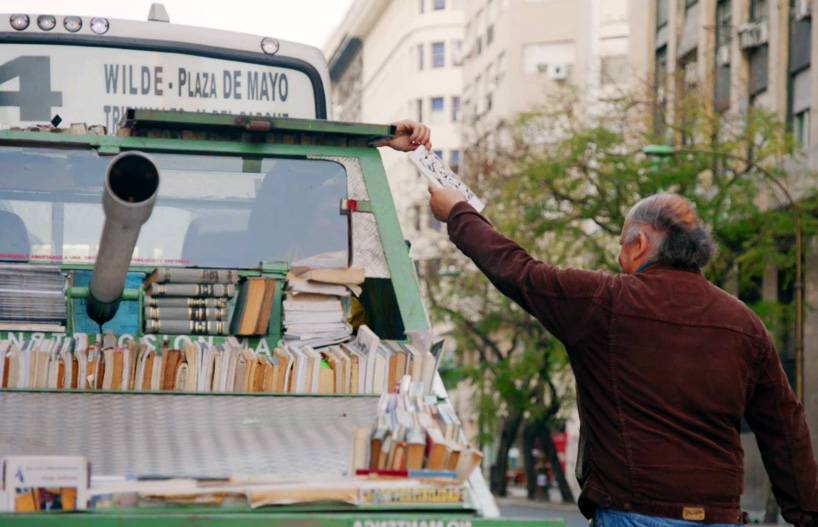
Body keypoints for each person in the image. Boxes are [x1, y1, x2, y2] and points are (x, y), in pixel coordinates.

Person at [379, 121, 818, 527]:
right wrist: (805, 513)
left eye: (622, 243)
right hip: (721, 517)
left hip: (634, 515)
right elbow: (785, 426)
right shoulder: (745, 323)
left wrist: (459, 213)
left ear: (640, 243)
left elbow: (517, 270)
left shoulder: (606, 302)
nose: (618, 255)